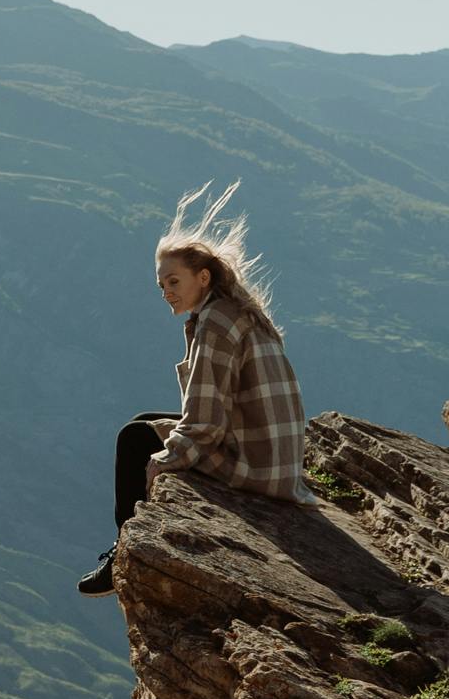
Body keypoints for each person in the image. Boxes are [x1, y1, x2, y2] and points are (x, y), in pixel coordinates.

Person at [80, 182, 308, 595]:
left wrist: (165, 460)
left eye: (173, 281)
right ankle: (125, 544)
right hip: (275, 458)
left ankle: (123, 552)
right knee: (145, 421)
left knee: (135, 439)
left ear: (203, 277)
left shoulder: (216, 323)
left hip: (255, 466)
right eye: (161, 285)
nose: (166, 292)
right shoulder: (232, 310)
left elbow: (205, 420)